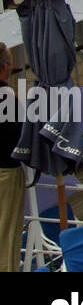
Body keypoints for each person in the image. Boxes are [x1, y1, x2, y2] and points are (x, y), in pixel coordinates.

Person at [0, 45, 21, 273]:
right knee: (6, 237)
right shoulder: (6, 99)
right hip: (5, 174)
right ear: (6, 66)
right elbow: (20, 138)